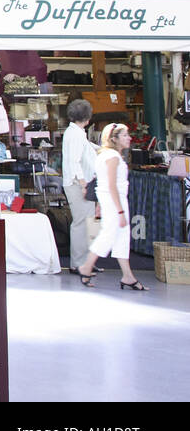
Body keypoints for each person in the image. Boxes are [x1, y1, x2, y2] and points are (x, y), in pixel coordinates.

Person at [77, 123, 147, 290]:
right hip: (115, 200)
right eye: (125, 135)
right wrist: (120, 211)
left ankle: (128, 275)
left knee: (120, 235)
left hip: (110, 199)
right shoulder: (113, 157)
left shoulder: (106, 155)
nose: (129, 138)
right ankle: (86, 266)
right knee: (109, 234)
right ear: (114, 139)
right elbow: (112, 185)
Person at [60, 99, 102, 274]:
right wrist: (84, 184)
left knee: (87, 222)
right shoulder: (76, 134)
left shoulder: (76, 132)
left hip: (79, 183)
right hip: (78, 184)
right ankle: (78, 263)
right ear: (87, 117)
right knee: (81, 223)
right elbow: (74, 161)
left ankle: (86, 261)